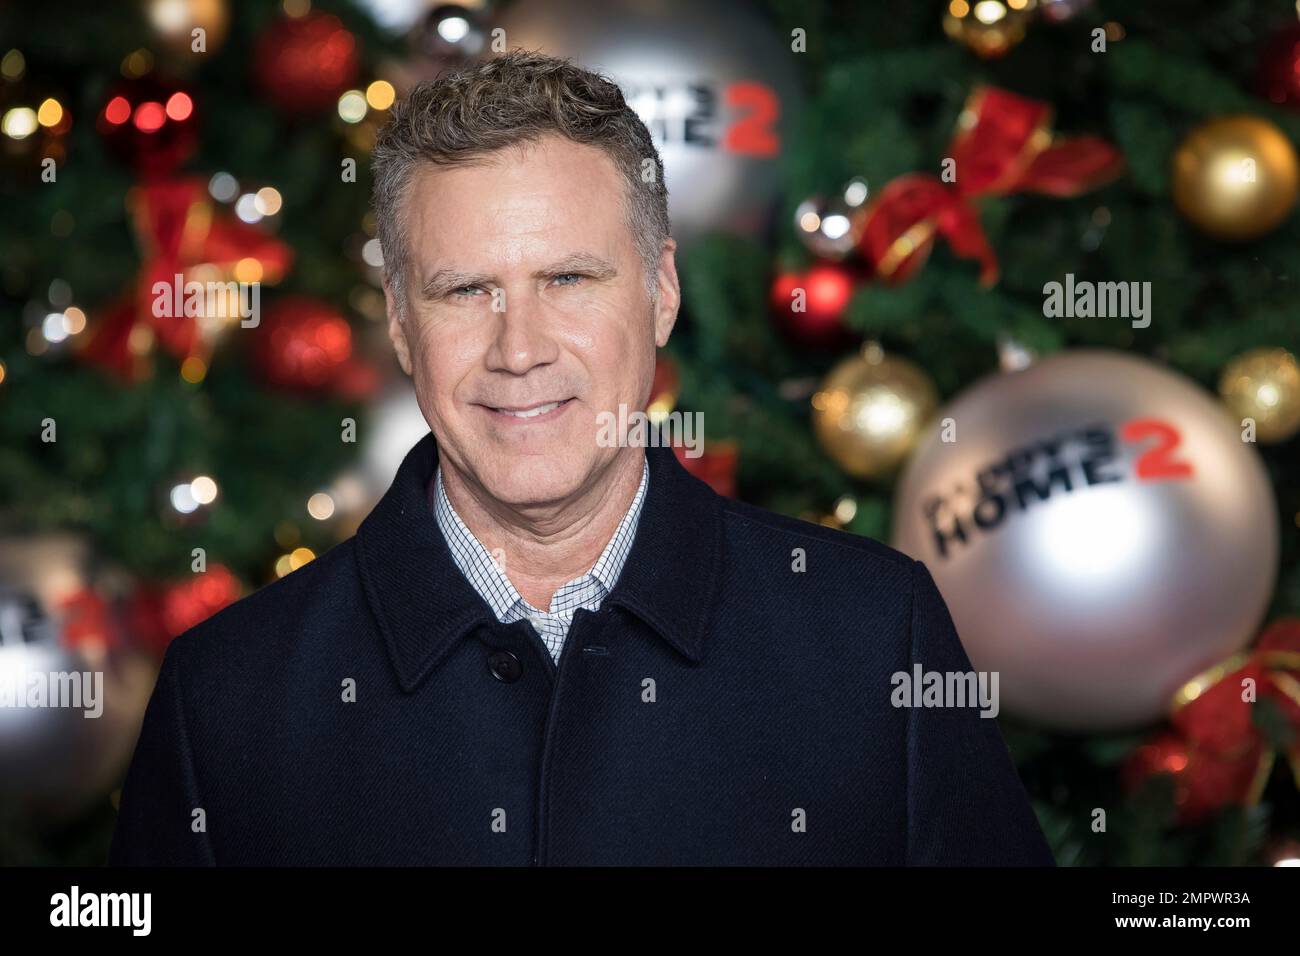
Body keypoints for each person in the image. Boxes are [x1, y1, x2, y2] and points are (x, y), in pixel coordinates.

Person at [109, 51, 1054, 866]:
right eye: (465, 289)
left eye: (567, 278)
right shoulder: (224, 699)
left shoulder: (877, 636)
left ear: (661, 292)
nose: (519, 348)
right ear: (400, 324)